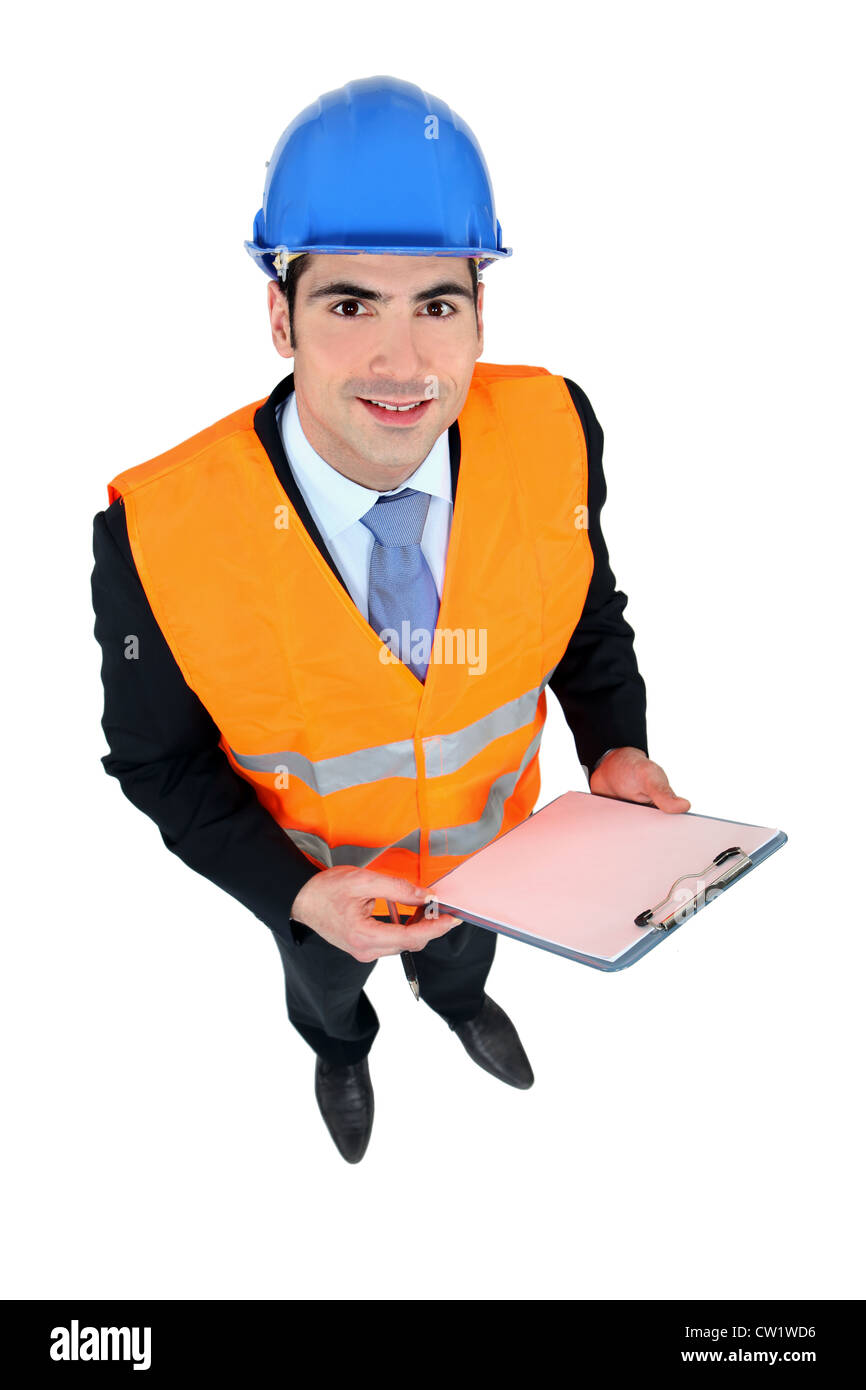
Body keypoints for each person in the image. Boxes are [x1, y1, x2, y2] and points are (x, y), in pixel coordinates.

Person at [91, 75, 690, 1165]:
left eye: (436, 305)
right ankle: (341, 1046)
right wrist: (299, 895)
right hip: (311, 881)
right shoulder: (157, 530)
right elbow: (156, 763)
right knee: (322, 985)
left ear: (478, 310)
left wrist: (614, 745)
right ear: (280, 314)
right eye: (350, 303)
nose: (402, 365)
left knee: (463, 961)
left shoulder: (555, 428)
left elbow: (585, 617)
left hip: (494, 867)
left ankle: (457, 1006)